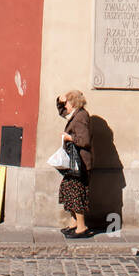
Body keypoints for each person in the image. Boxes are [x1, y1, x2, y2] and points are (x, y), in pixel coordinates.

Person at [57, 90, 93, 238]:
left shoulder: (80, 117)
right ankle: (74, 223)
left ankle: (82, 227)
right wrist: (59, 100)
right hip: (75, 162)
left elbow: (84, 140)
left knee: (76, 194)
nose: (65, 105)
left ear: (73, 103)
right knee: (68, 190)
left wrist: (69, 138)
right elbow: (62, 112)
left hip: (81, 163)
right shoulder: (76, 114)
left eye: (67, 103)